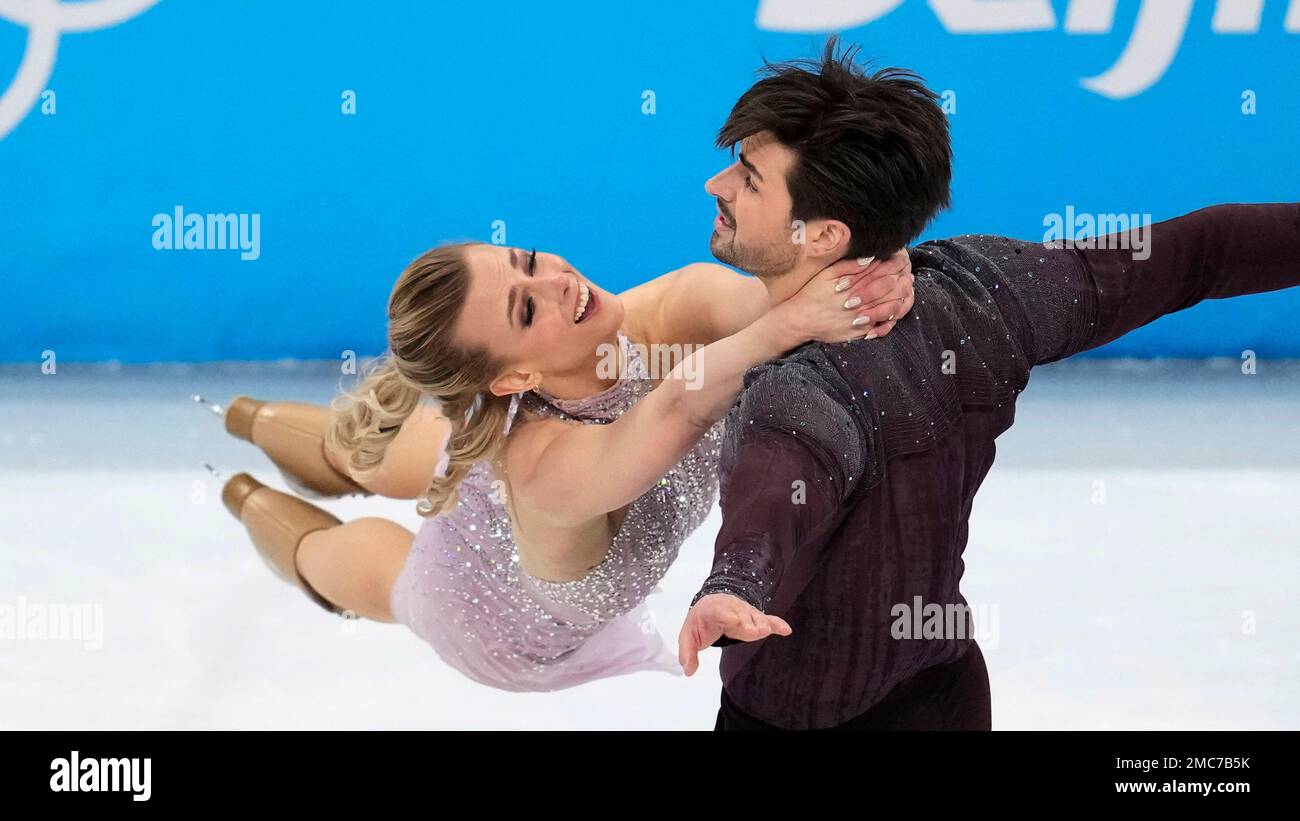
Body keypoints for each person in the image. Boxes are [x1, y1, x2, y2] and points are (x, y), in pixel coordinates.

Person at [676, 40, 1300, 730]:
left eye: (749, 177)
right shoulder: (984, 290)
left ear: (824, 235)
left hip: (797, 718)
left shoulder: (797, 388)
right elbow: (1194, 255)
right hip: (947, 694)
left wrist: (731, 585)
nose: (718, 184)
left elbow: (779, 484)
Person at [214, 239, 916, 691]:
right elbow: (674, 409)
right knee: (348, 558)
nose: (558, 281)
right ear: (513, 376)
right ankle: (239, 489)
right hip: (488, 612)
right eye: (526, 308)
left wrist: (868, 276)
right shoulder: (544, 467)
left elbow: (769, 300)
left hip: (500, 440)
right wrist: (793, 322)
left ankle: (254, 418)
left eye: (526, 260)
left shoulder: (650, 317)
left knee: (374, 449)